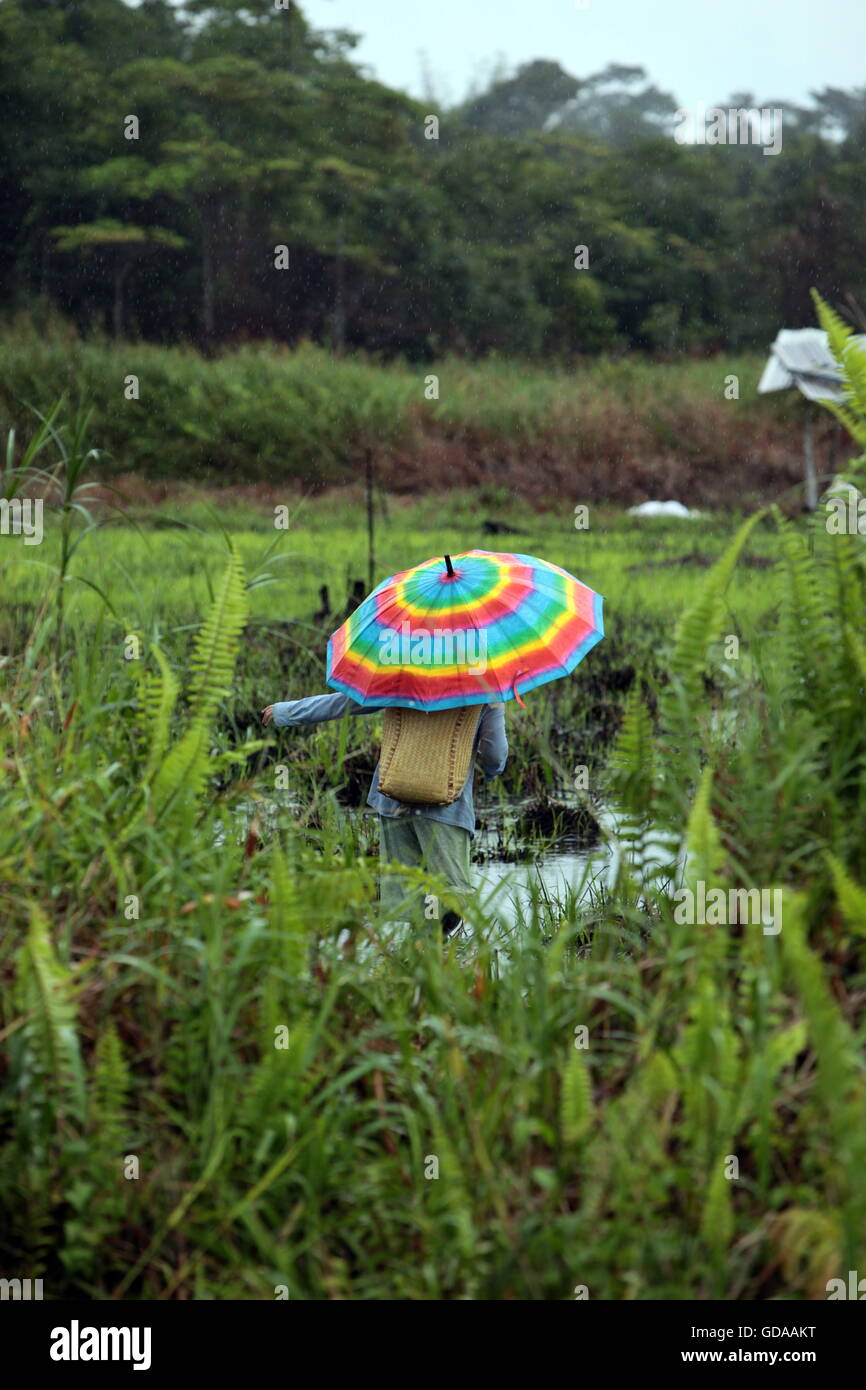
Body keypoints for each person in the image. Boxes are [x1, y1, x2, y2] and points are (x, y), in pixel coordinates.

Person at [262, 693, 508, 935]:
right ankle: (434, 958)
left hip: (393, 800)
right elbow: (494, 753)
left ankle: (419, 960)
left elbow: (345, 703)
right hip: (446, 807)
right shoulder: (485, 691)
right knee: (452, 895)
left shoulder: (401, 675)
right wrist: (489, 770)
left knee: (414, 897)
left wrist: (286, 711)